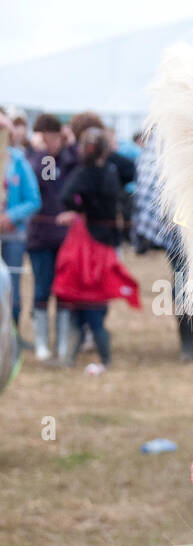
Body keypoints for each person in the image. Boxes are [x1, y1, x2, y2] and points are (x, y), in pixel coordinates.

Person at [133, 133, 193, 360]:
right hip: (179, 226)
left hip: (187, 223)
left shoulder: (172, 142)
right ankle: (189, 345)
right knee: (186, 282)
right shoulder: (171, 143)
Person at [56, 127, 125, 367]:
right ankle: (97, 358)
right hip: (104, 243)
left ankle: (77, 358)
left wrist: (79, 208)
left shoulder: (83, 173)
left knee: (82, 303)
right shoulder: (110, 173)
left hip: (87, 245)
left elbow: (66, 195)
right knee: (95, 302)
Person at [24, 113, 79, 362]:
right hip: (40, 237)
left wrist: (69, 145)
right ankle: (42, 344)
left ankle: (63, 344)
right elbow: (42, 182)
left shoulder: (69, 158)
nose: (55, 142)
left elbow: (78, 177)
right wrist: (42, 154)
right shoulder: (36, 160)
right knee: (42, 289)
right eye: (50, 137)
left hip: (65, 238)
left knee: (65, 292)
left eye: (58, 137)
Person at [2, 113, 40, 347]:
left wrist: (11, 216)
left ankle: (12, 337)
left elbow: (33, 200)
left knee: (12, 288)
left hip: (13, 236)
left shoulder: (19, 163)